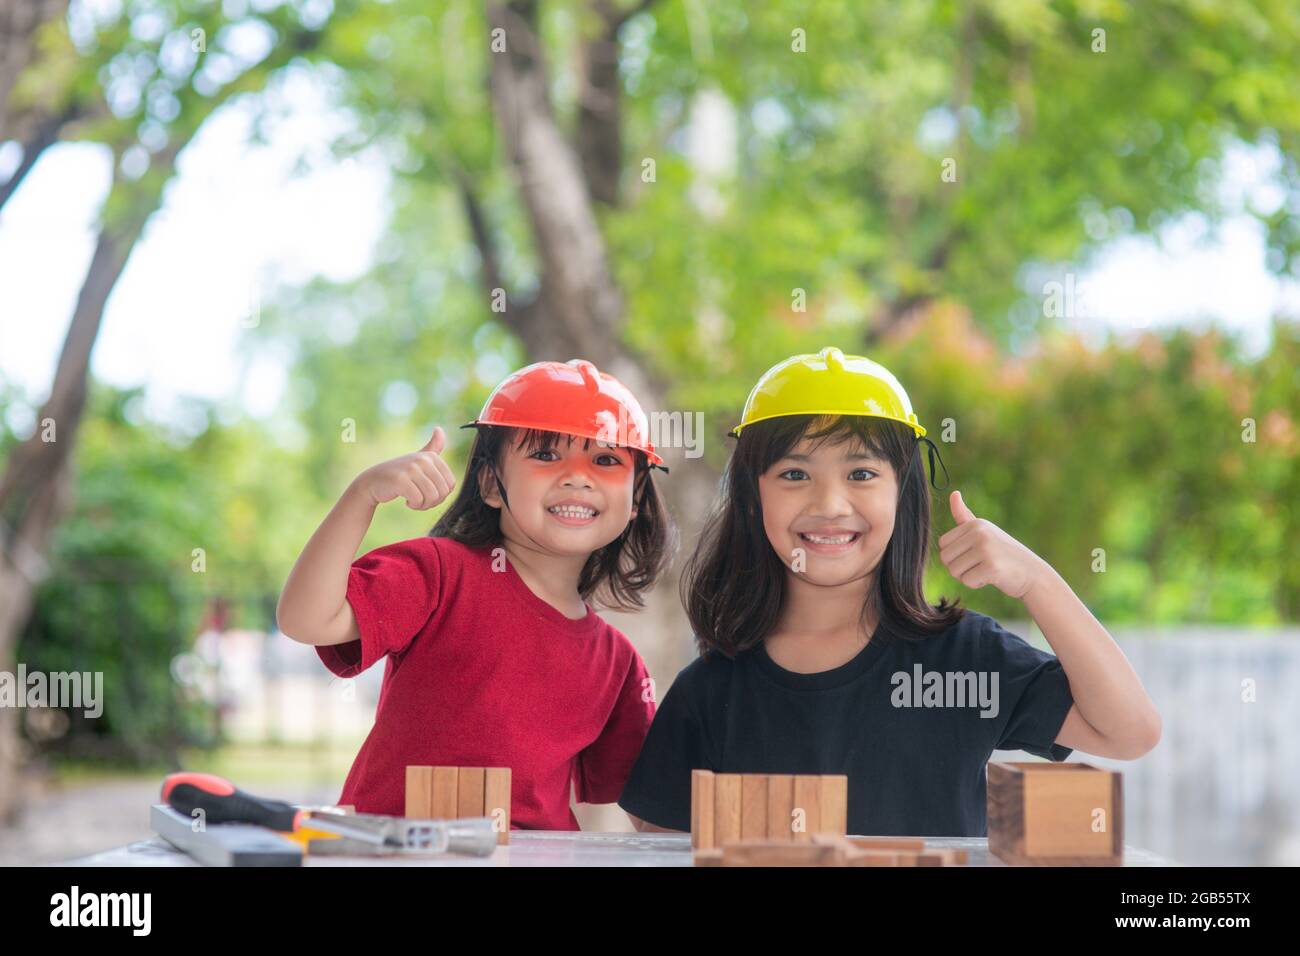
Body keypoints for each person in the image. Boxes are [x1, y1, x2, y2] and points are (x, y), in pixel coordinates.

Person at [618, 346, 1160, 836]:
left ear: (903, 495)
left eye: (860, 473)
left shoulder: (965, 661)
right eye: (794, 474)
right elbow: (660, 843)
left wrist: (1036, 580)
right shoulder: (711, 690)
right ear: (752, 497)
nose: (829, 504)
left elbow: (1129, 732)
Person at [278, 358, 675, 830]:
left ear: (634, 500)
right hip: (390, 859)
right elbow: (305, 619)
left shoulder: (618, 662)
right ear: (491, 483)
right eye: (546, 455)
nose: (577, 476)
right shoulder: (439, 574)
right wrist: (362, 494)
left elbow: (651, 816)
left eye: (606, 460)